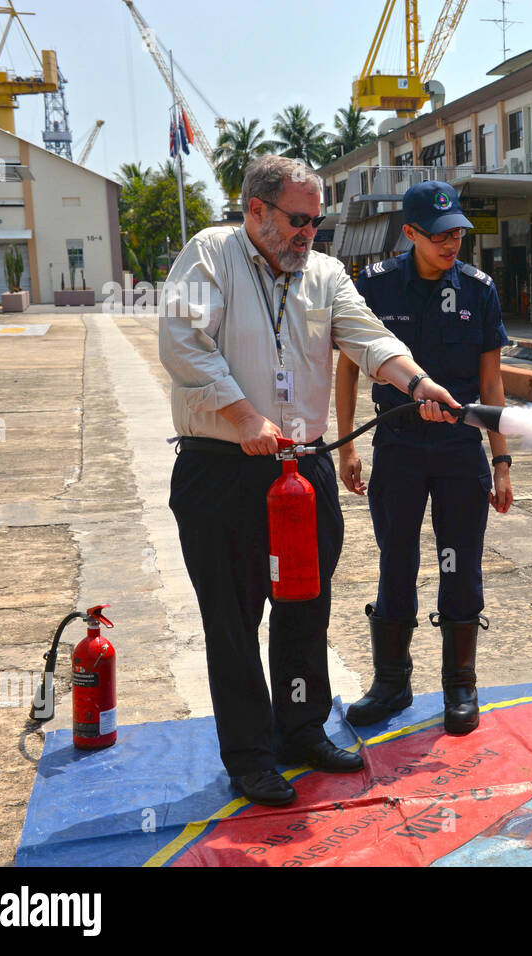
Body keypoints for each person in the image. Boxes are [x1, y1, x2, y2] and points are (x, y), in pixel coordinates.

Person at [159, 156, 461, 807]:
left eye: (316, 223)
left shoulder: (324, 275)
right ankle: (249, 755)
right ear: (256, 211)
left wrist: (419, 383)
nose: (308, 235)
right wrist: (244, 417)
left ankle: (300, 727)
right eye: (297, 221)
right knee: (234, 620)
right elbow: (183, 342)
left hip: (303, 468)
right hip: (223, 471)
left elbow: (368, 339)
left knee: (304, 606)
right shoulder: (211, 254)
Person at [336, 180, 512, 736]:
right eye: (439, 234)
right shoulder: (376, 287)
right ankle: (392, 683)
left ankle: (460, 683)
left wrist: (501, 460)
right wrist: (345, 446)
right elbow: (347, 367)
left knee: (460, 564)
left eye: (458, 231)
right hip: (399, 448)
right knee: (397, 563)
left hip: (461, 453)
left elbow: (491, 382)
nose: (452, 242)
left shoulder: (479, 291)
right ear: (409, 233)